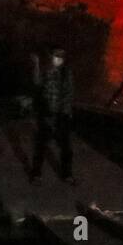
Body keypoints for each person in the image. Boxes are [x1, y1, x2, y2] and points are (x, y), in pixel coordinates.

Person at [31, 46, 75, 184]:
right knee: (41, 146)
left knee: (66, 148)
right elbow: (37, 83)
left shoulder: (67, 73)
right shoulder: (47, 71)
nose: (55, 59)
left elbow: (69, 94)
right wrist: (36, 64)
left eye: (58, 57)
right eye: (55, 56)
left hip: (61, 115)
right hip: (46, 114)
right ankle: (36, 174)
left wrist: (64, 113)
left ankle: (67, 174)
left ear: (62, 60)